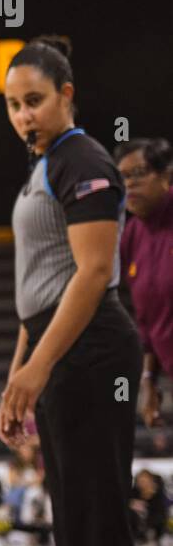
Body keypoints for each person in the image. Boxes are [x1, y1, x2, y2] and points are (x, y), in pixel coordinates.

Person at [0, 36, 142, 546]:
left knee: (96, 516)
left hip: (92, 349)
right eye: (13, 105)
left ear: (65, 95)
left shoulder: (82, 159)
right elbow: (37, 282)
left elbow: (96, 271)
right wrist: (20, 373)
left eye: (33, 101)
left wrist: (38, 366)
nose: (22, 115)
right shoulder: (45, 163)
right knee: (75, 515)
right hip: (57, 347)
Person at [112, 138, 173, 429]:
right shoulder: (132, 236)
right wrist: (149, 381)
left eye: (137, 173)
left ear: (165, 175)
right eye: (122, 177)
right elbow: (146, 320)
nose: (129, 185)